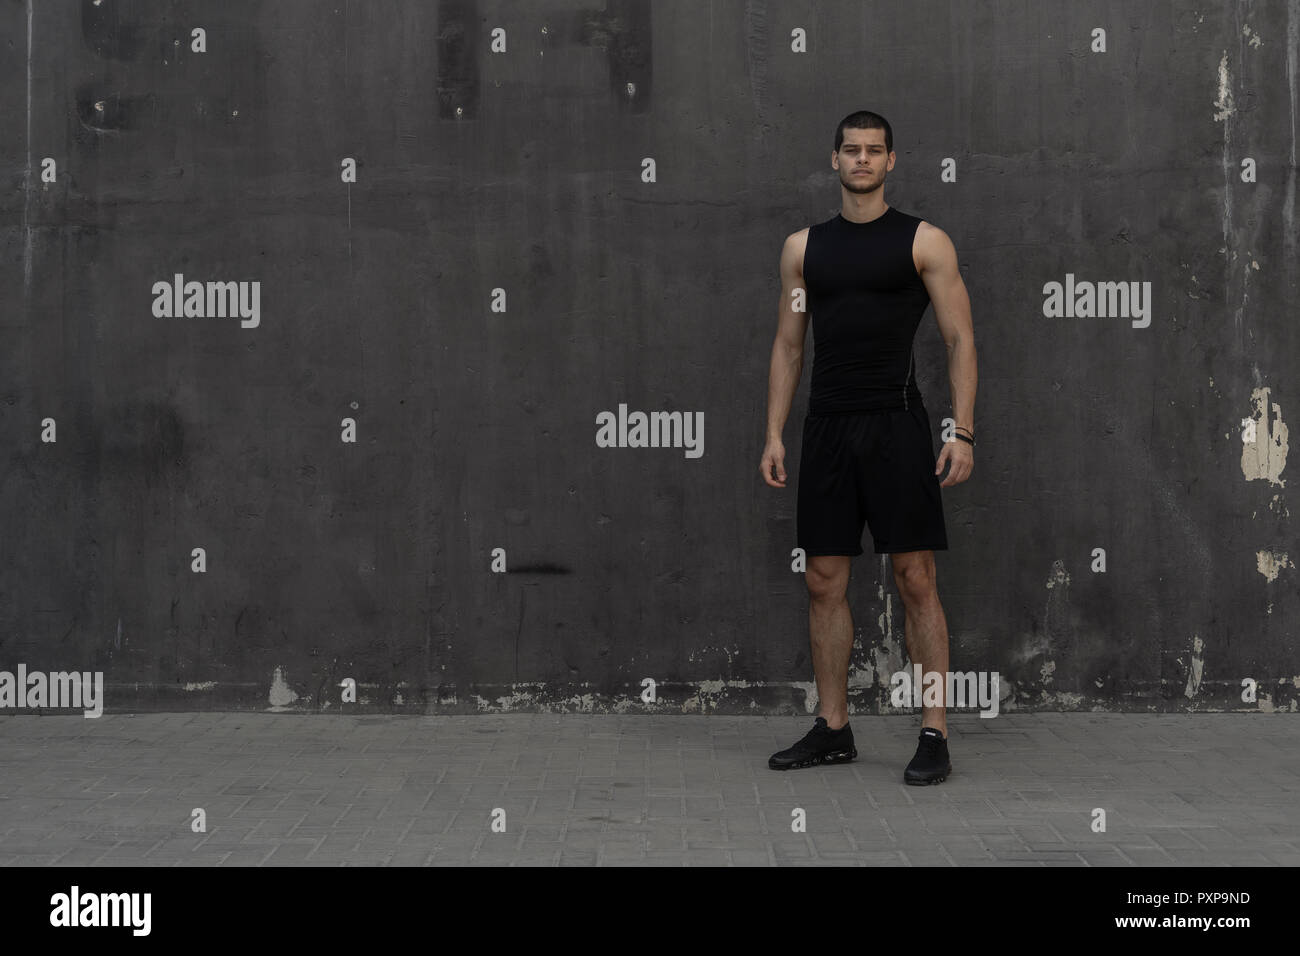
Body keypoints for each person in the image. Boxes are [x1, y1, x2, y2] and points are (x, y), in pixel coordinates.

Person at [760, 110, 977, 785]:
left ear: (890, 161)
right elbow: (790, 344)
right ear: (834, 160)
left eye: (873, 151)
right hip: (827, 428)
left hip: (897, 426)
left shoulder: (925, 242)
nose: (861, 160)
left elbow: (961, 341)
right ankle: (833, 728)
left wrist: (961, 430)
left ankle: (935, 731)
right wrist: (774, 431)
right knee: (823, 580)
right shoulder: (803, 249)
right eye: (850, 150)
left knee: (916, 578)